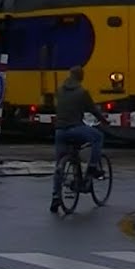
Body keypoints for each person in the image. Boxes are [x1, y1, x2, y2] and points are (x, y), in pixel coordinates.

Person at [49, 65, 110, 213]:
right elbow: (92, 110)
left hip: (60, 132)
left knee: (59, 165)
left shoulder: (59, 90)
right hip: (75, 129)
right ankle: (92, 169)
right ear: (81, 77)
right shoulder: (82, 92)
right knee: (97, 137)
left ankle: (56, 197)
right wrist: (103, 120)